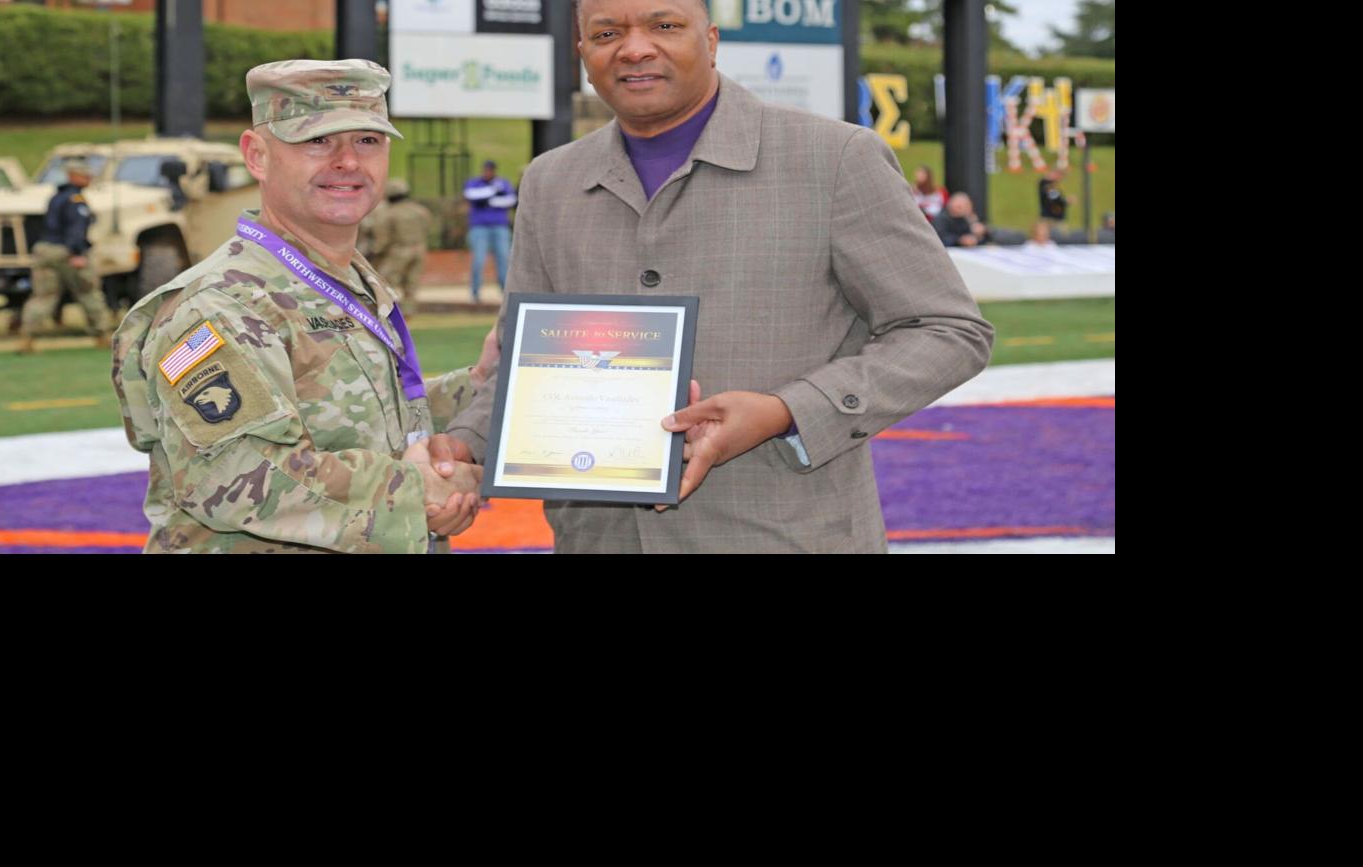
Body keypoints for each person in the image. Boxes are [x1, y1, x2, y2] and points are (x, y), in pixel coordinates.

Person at [431, 0, 993, 553]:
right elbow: (522, 359)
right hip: (597, 538)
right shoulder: (551, 180)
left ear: (712, 40)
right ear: (582, 52)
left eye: (665, 26)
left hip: (786, 536)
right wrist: (461, 446)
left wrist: (787, 412)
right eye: (606, 35)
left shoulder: (836, 157)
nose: (634, 48)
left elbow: (946, 330)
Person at [109, 59, 489, 553]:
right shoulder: (217, 304)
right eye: (317, 140)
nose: (348, 161)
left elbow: (365, 414)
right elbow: (236, 476)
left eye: (367, 140)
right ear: (258, 156)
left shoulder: (347, 279)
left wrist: (479, 385)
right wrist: (417, 490)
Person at [19, 161, 115, 353]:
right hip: (67, 251)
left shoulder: (56, 197)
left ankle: (27, 337)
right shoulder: (76, 200)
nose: (89, 178)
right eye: (84, 174)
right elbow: (76, 229)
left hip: (44, 250)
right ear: (72, 176)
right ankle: (102, 335)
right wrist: (78, 253)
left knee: (43, 296)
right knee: (88, 292)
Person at [361, 178, 433, 310]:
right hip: (419, 249)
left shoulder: (389, 213)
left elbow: (382, 237)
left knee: (385, 282)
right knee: (411, 283)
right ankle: (409, 312)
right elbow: (428, 228)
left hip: (398, 251)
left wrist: (375, 251)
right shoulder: (420, 210)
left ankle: (388, 311)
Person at [463, 159, 516, 303]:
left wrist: (490, 200)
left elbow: (510, 200)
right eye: (486, 170)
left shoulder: (503, 183)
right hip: (479, 227)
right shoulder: (474, 183)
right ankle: (475, 293)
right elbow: (471, 195)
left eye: (490, 170)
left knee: (503, 259)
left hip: (500, 226)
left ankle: (505, 293)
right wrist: (492, 191)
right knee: (479, 260)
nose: (488, 172)